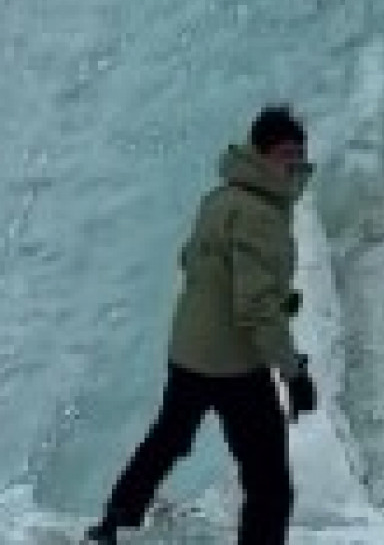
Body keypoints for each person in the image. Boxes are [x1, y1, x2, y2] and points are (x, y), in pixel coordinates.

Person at [87, 105, 318, 544]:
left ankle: (115, 521)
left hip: (190, 353)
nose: (296, 163)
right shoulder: (260, 214)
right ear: (262, 154)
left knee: (168, 440)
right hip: (234, 367)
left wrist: (269, 298)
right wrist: (293, 372)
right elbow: (253, 308)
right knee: (269, 481)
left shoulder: (221, 198)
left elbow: (193, 261)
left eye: (300, 153)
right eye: (287, 153)